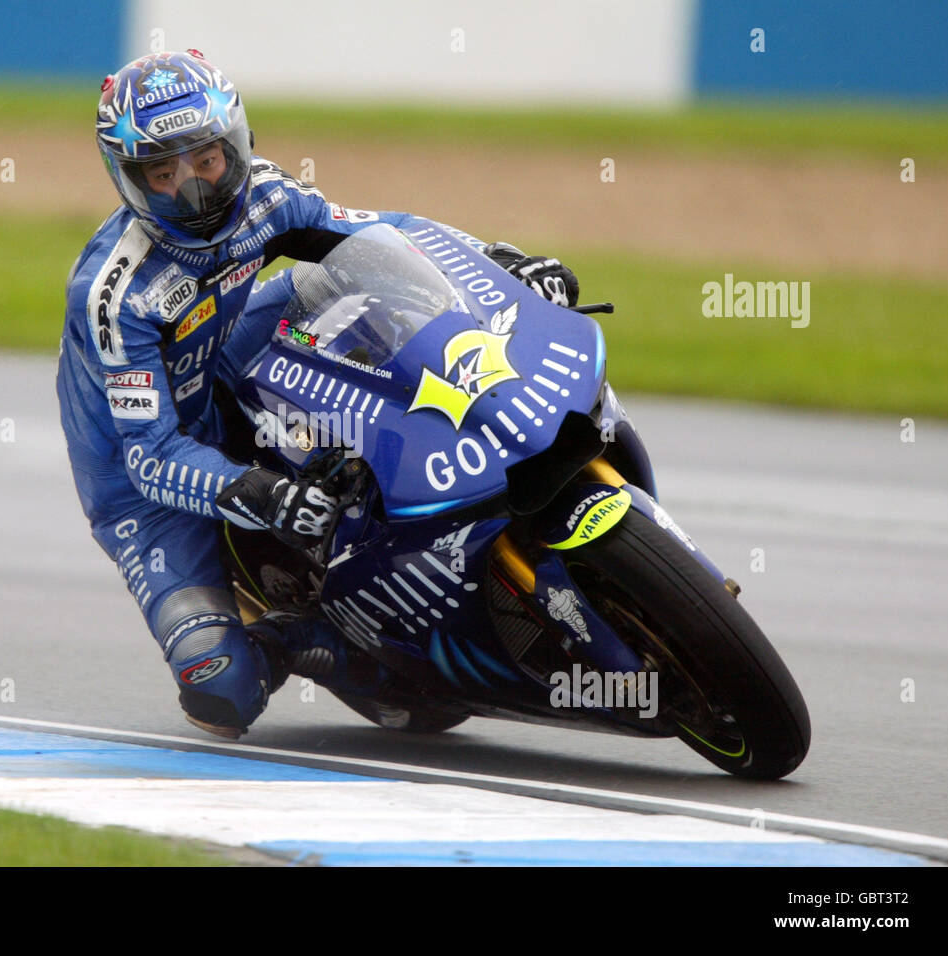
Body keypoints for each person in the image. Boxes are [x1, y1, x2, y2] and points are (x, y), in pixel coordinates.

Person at [56, 50, 579, 738]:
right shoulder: (113, 295)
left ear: (237, 144)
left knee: (367, 282)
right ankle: (298, 640)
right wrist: (267, 496)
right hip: (141, 484)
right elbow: (149, 458)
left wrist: (504, 263)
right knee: (222, 691)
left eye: (206, 162)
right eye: (163, 173)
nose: (194, 192)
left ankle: (425, 468)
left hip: (229, 344)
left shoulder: (266, 195)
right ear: (128, 181)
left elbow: (388, 235)